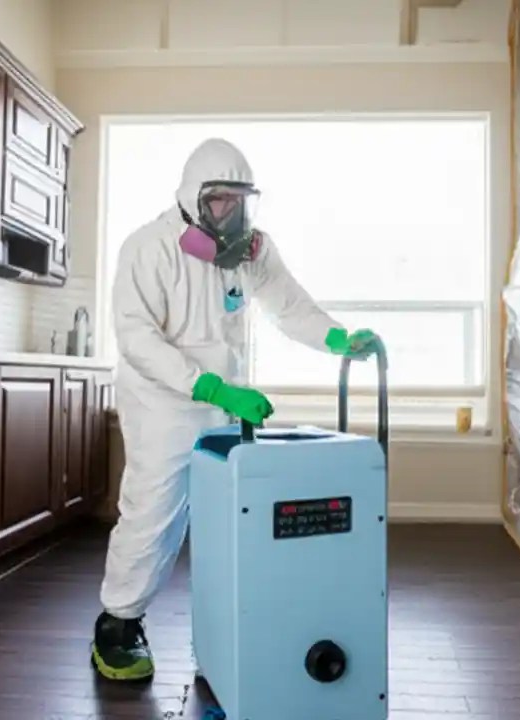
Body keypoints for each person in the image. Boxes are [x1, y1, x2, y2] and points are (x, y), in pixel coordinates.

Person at [91, 137, 380, 681]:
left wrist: (336, 337)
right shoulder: (147, 249)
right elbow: (137, 339)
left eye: (240, 199)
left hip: (223, 404)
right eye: (219, 199)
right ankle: (118, 626)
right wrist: (210, 387)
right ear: (192, 199)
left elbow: (289, 305)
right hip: (162, 405)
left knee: (229, 517)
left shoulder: (250, 251)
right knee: (154, 514)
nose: (231, 211)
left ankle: (225, 635)